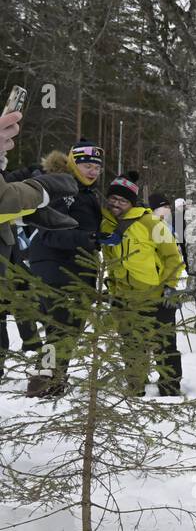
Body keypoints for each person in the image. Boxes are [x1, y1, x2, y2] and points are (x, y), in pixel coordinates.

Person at [24, 138, 107, 397]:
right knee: (60, 329)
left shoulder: (86, 193)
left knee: (66, 330)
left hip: (77, 269)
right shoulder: (60, 187)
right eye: (87, 166)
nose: (93, 171)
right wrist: (89, 239)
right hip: (55, 268)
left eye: (97, 167)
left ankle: (52, 380)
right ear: (73, 163)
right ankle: (43, 383)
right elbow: (49, 232)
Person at [1, 112, 79, 383]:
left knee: (43, 316)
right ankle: (40, 359)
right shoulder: (38, 182)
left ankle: (39, 354)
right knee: (43, 316)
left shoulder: (83, 196)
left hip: (30, 260)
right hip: (37, 261)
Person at [98, 173, 186, 395]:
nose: (116, 203)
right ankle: (135, 386)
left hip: (155, 294)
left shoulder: (150, 222)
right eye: (113, 199)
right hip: (123, 297)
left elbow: (173, 257)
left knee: (164, 345)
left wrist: (170, 285)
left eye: (123, 200)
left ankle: (170, 388)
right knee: (131, 344)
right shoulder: (105, 223)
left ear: (132, 203)